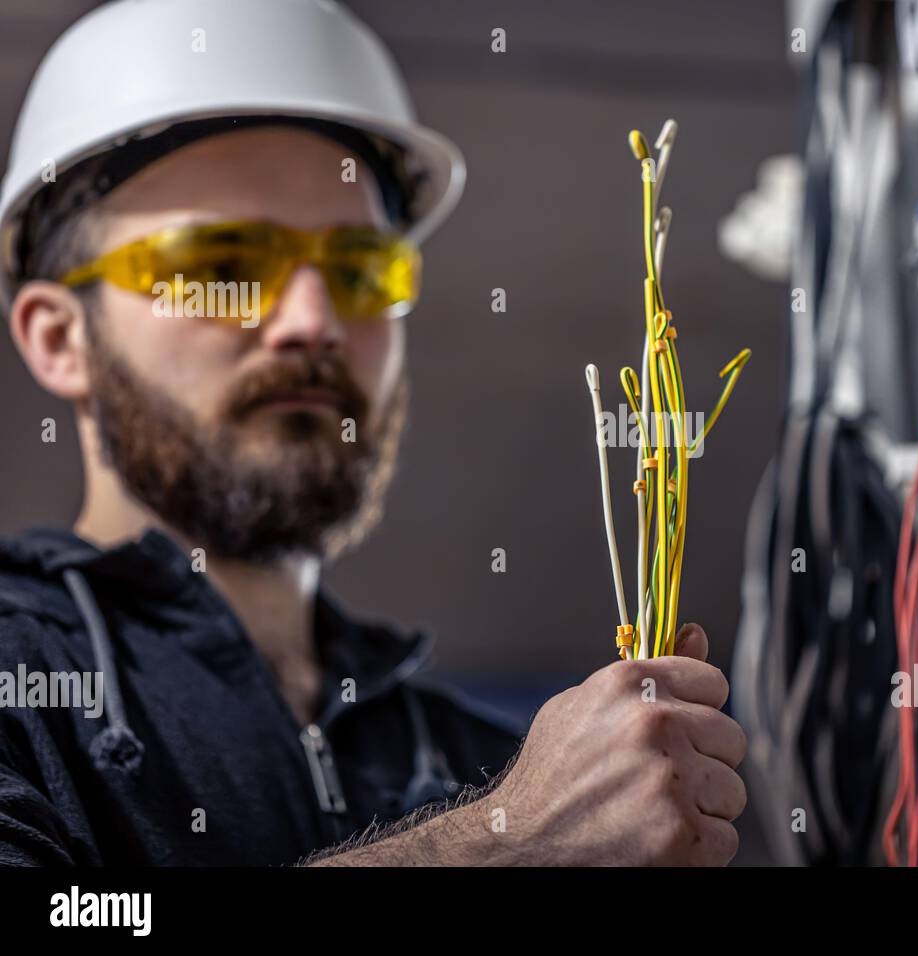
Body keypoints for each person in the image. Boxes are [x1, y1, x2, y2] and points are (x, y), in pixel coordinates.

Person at [0, 0, 745, 866]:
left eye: (359, 271)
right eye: (226, 267)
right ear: (60, 339)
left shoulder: (492, 759)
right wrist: (506, 843)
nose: (313, 320)